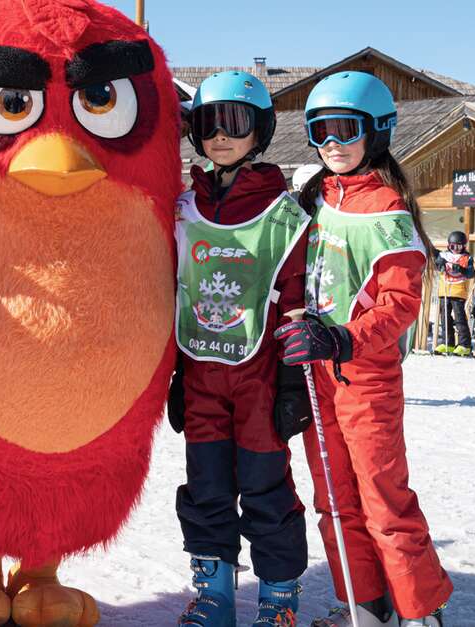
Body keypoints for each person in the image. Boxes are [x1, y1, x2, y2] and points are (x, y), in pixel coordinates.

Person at [277, 71, 452, 627]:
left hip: (364, 375)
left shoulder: (387, 209)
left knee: (382, 499)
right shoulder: (318, 197)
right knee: (333, 497)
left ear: (376, 133)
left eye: (343, 130)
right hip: (316, 373)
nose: (331, 143)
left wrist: (343, 338)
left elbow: (400, 303)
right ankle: (365, 604)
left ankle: (418, 610)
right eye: (318, 131)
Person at [171, 71, 309, 627]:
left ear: (262, 131)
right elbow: (174, 287)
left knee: (264, 489)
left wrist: (294, 381)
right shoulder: (184, 208)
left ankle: (277, 599)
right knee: (206, 485)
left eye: (235, 123)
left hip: (260, 378)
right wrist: (177, 376)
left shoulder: (283, 212)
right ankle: (215, 595)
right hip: (202, 371)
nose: (220, 136)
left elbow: (296, 297)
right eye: (208, 124)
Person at [432, 230, 475, 356]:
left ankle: (464, 344)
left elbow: (471, 273)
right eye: (452, 246)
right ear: (448, 246)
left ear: (464, 246)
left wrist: (461, 269)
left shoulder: (467, 258)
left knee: (459, 318)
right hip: (444, 289)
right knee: (445, 318)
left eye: (459, 246)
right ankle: (447, 343)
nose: (455, 249)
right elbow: (437, 262)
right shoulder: (444, 255)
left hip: (458, 291)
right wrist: (439, 264)